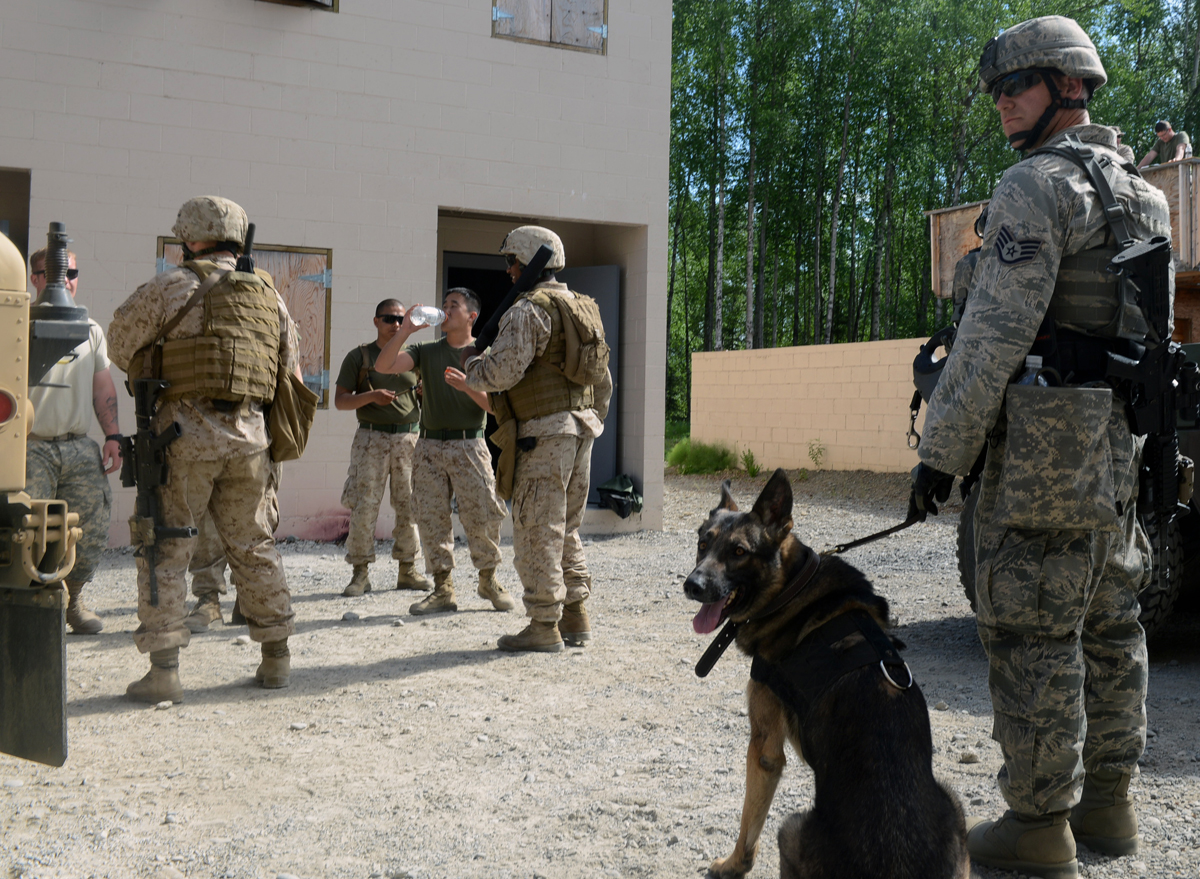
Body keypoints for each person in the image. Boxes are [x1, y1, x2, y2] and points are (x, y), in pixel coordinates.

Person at [909, 17, 1168, 879]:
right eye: (996, 91)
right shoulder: (1144, 192)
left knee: (1031, 627)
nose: (1000, 105)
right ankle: (1109, 805)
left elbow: (993, 334)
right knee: (1109, 618)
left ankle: (1038, 823)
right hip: (1112, 447)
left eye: (1013, 86)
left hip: (1044, 449)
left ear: (1066, 85)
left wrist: (939, 451)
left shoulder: (1035, 185)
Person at [108, 195, 299, 700]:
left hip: (182, 442)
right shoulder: (270, 297)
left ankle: (165, 670)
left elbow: (119, 342)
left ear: (190, 238)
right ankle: (276, 658)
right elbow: (289, 369)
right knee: (255, 545)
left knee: (166, 545)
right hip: (251, 444)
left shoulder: (171, 287)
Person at [461, 226, 611, 653]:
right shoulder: (584, 307)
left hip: (544, 436)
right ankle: (575, 614)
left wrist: (473, 363)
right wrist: (587, 421)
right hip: (581, 431)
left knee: (536, 527)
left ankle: (544, 624)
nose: (508, 271)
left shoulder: (529, 310)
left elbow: (503, 372)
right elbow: (603, 381)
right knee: (567, 527)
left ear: (530, 263)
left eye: (512, 262)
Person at [373, 287, 514, 616]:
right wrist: (406, 330)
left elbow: (496, 408)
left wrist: (468, 386)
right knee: (432, 517)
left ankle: (489, 580)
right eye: (445, 304)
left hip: (470, 444)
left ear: (472, 317)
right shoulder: (426, 350)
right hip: (429, 445)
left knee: (482, 515)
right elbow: (385, 365)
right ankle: (442, 589)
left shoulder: (484, 354)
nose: (446, 310)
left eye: (455, 306)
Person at [25, 247, 122, 635]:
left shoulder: (90, 329)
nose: (65, 280)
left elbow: (102, 386)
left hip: (78, 446)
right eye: (52, 273)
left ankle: (73, 600)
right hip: (30, 447)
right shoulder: (17, 324)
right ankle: (32, 610)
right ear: (35, 279)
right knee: (26, 530)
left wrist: (113, 435)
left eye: (71, 273)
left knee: (90, 524)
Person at [333, 300, 429, 597]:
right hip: (371, 440)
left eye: (401, 319)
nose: (396, 324)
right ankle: (360, 572)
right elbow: (340, 401)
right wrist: (371, 396)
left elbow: (424, 398)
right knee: (364, 506)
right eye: (389, 318)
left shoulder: (414, 356)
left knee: (410, 507)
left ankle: (408, 570)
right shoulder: (359, 357)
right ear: (376, 321)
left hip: (407, 440)